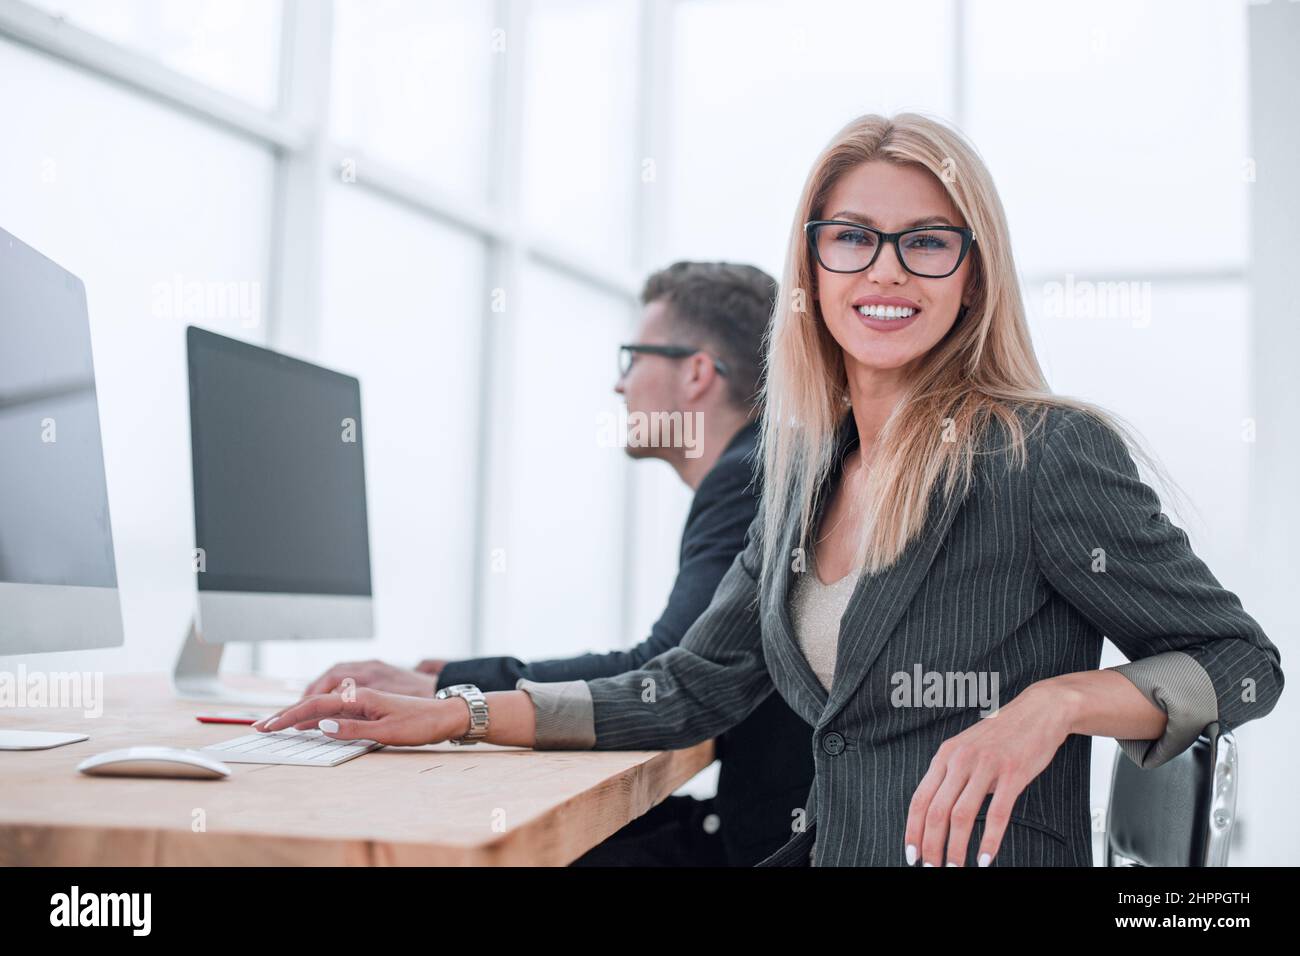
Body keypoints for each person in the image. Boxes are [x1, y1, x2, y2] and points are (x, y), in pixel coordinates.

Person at [259, 113, 1284, 867]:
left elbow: (1241, 663)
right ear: (812, 266)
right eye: (851, 236)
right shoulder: (798, 472)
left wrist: (1057, 703)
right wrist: (463, 710)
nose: (886, 270)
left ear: (971, 273)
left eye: (926, 240)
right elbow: (688, 686)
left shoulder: (1043, 453)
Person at [299, 261, 814, 866]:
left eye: (633, 358)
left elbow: (663, 670)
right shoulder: (760, 470)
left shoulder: (746, 479)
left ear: (697, 371)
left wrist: (451, 693)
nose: (619, 386)